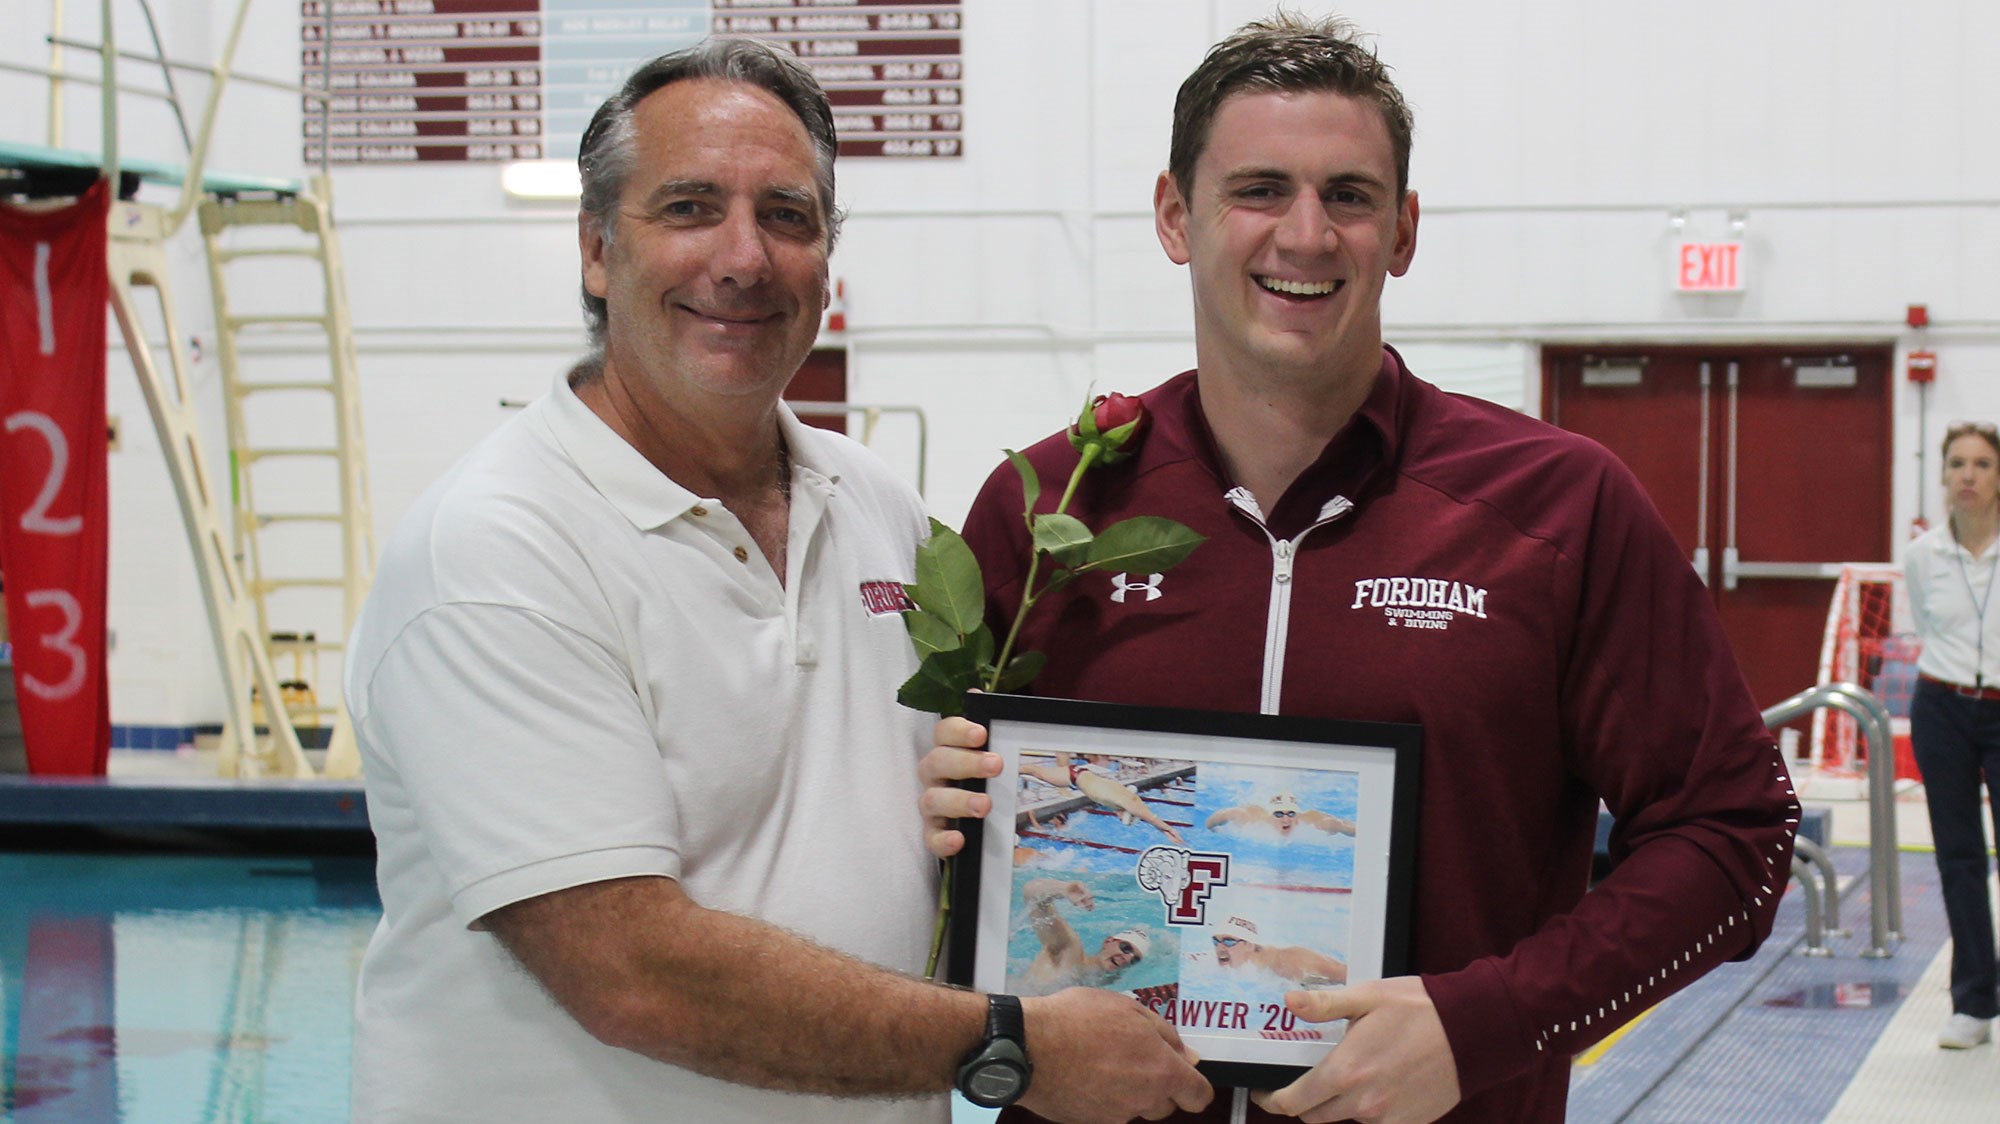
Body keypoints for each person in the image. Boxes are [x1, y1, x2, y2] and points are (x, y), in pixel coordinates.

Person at [919, 14, 1797, 1123]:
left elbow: (1736, 836)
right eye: (1258, 190)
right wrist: (931, 815)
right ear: (1174, 216)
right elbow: (929, 850)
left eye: (1347, 195)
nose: (1306, 234)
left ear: (1402, 229)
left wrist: (1490, 1021)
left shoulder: (1555, 510)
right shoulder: (1055, 505)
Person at [344, 39, 1211, 1124]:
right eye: (690, 208)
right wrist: (1012, 1045)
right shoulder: (498, 549)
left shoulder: (872, 504)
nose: (744, 258)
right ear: (597, 250)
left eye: (788, 217)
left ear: (826, 258)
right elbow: (629, 971)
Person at [1905, 420, 2000, 1050]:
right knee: (1959, 857)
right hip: (1942, 707)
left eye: (1983, 464)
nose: (1969, 475)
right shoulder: (1923, 556)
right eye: (1958, 463)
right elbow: (1925, 624)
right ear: (1942, 474)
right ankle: (1973, 1002)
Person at [1021, 754, 1189, 843]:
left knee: (1036, 771)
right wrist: (1169, 831)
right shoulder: (1126, 802)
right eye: (1123, 818)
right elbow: (1150, 817)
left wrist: (1164, 831)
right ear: (1127, 812)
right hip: (1074, 776)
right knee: (1035, 771)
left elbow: (1142, 811)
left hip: (1081, 775)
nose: (1119, 818)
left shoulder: (1120, 802)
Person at [1020, 878, 1151, 991]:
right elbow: (1031, 891)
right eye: (1126, 948)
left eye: (1135, 960)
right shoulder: (1069, 951)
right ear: (1109, 941)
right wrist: (1063, 889)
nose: (1127, 958)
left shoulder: (1104, 982)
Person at [1209, 916, 1347, 985]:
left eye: (1229, 941)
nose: (1220, 948)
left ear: (1249, 945)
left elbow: (1347, 975)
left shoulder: (1291, 961)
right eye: (1216, 941)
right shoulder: (1213, 963)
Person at [1205, 792, 1354, 837]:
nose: (1286, 819)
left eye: (1291, 813)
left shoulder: (1311, 821)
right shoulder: (1252, 819)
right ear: (1270, 817)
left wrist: (1340, 827)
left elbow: (1354, 830)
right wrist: (1212, 829)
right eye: (1278, 814)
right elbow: (1220, 816)